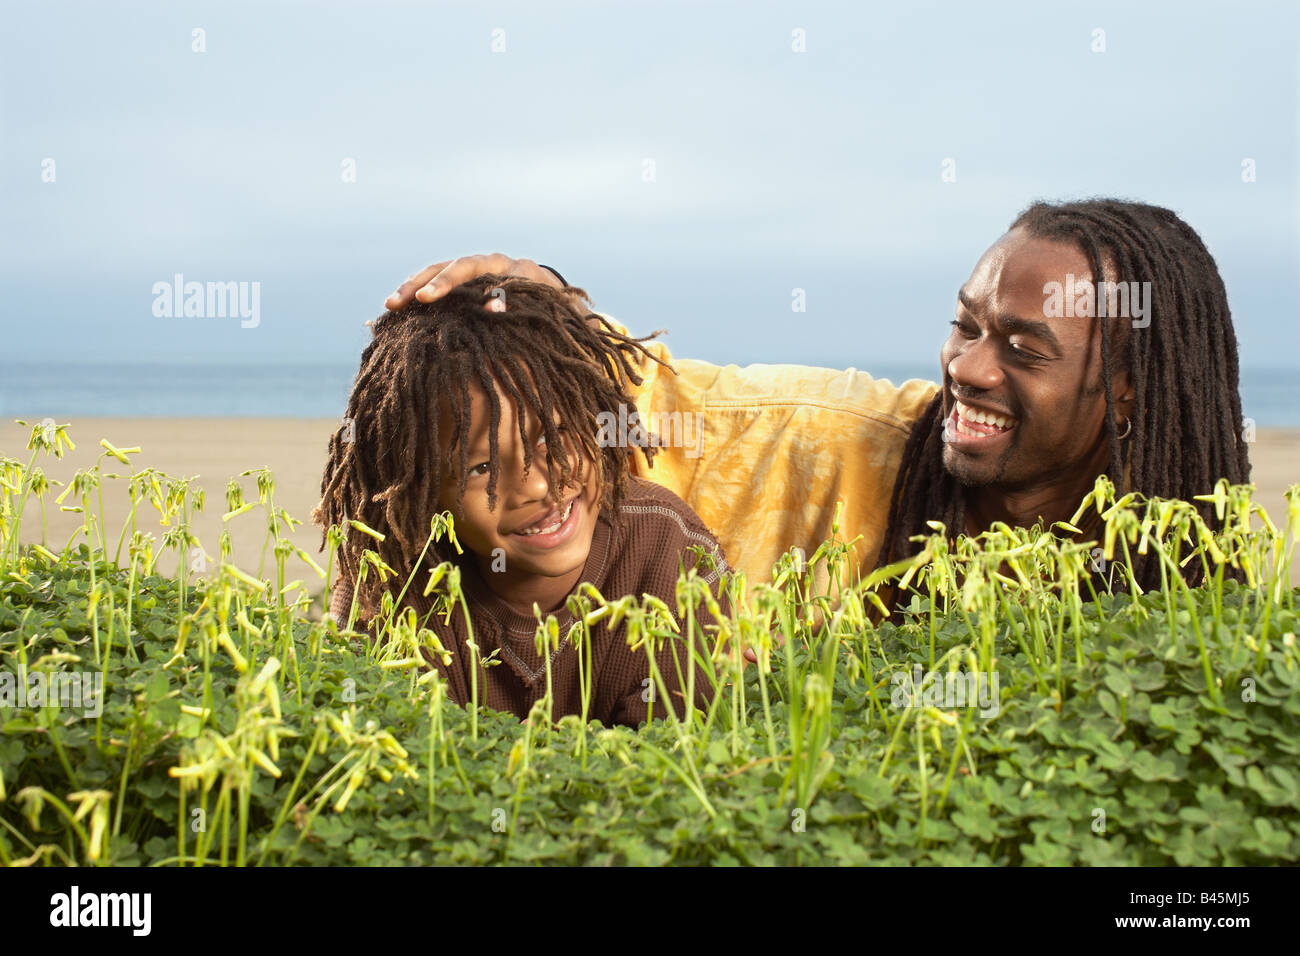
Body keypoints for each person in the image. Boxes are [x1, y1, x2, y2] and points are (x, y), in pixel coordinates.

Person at [384, 199, 1251, 600]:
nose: (970, 368)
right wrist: (561, 325)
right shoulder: (839, 442)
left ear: (1130, 389)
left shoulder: (1196, 554)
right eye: (965, 325)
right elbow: (680, 403)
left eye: (1024, 348)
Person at [313, 275, 728, 726]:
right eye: (482, 468)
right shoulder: (392, 588)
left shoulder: (670, 553)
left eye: (554, 436)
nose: (534, 487)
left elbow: (666, 763)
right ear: (423, 493)